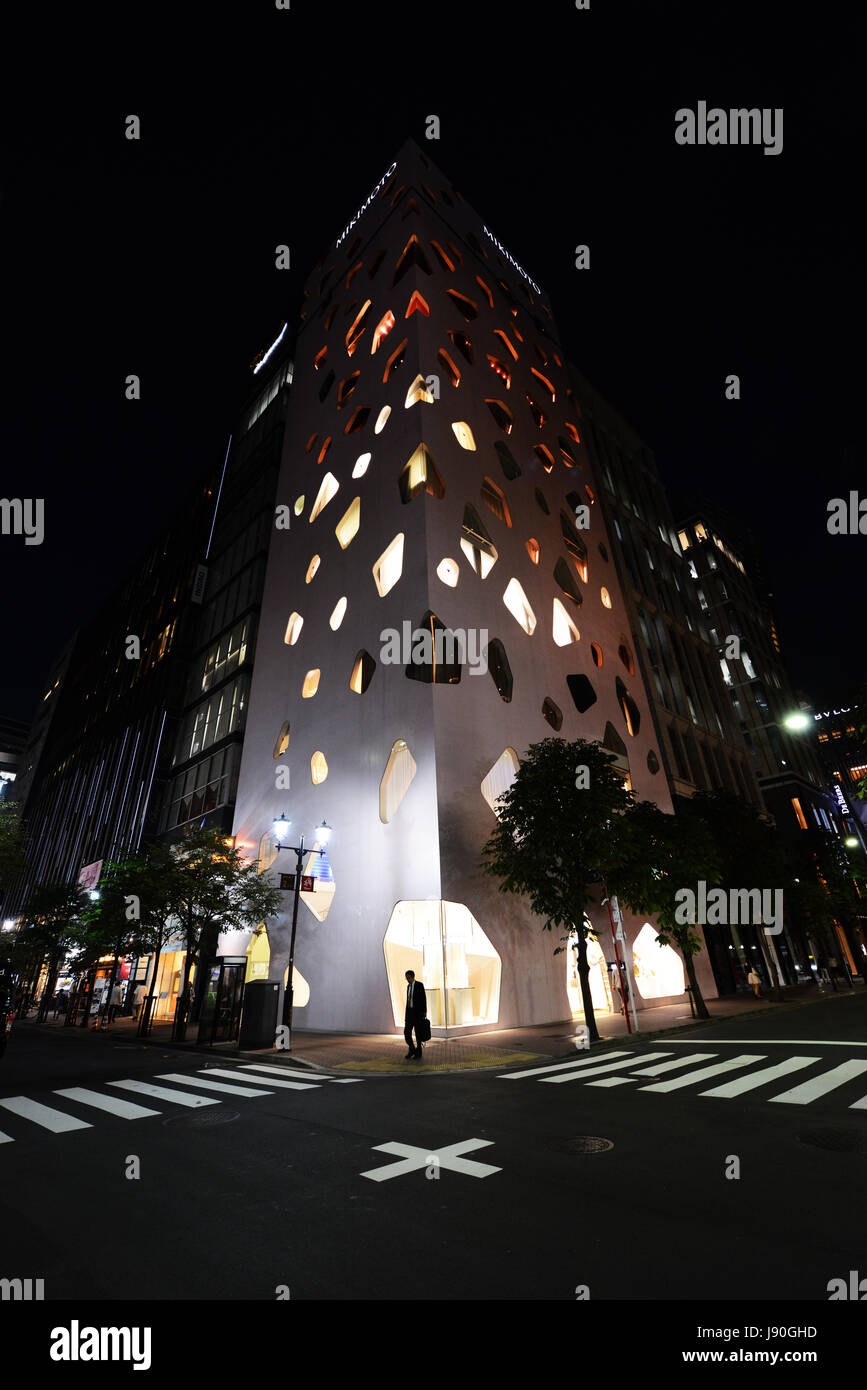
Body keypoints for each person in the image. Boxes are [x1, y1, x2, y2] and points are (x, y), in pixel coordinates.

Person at [403, 969, 427, 1060]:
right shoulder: (408, 987)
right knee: (407, 1033)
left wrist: (424, 1012)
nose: (407, 979)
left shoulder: (419, 985)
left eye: (408, 978)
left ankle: (418, 1053)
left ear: (413, 977)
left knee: (418, 1034)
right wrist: (406, 1015)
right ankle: (412, 1049)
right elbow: (408, 1001)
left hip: (417, 1014)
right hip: (409, 1014)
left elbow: (423, 999)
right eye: (406, 978)